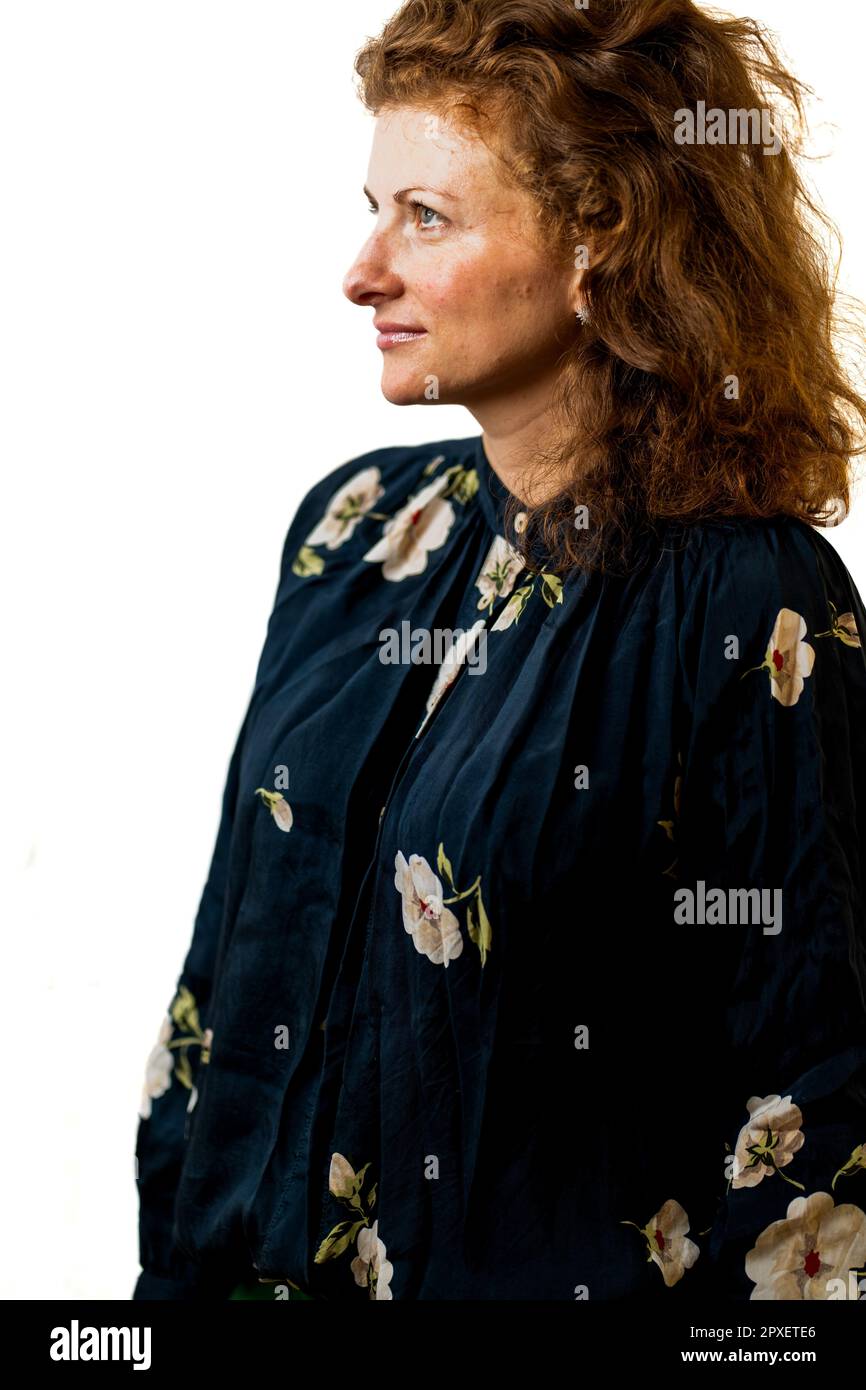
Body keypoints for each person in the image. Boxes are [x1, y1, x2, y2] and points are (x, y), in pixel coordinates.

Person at [133, 0, 866, 1302]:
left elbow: (813, 1120)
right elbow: (215, 1003)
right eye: (375, 209)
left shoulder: (755, 602)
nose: (362, 270)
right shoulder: (356, 530)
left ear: (599, 237)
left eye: (424, 216)